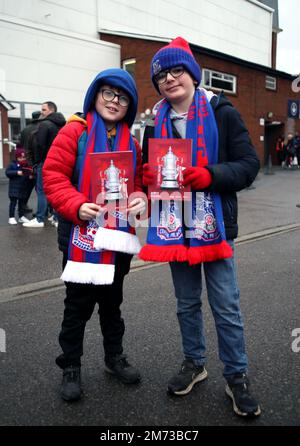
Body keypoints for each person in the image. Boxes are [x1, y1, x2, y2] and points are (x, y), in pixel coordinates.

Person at [140, 37, 261, 417]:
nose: (169, 79)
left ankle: (236, 375)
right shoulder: (153, 124)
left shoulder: (222, 112)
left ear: (192, 74)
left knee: (226, 304)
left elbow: (248, 165)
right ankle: (195, 361)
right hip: (173, 226)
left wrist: (210, 175)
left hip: (215, 225)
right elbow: (152, 179)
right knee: (186, 303)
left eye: (177, 70)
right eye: (161, 75)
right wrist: (147, 181)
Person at [43, 68, 145, 402]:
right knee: (76, 307)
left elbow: (138, 182)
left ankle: (114, 357)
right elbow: (54, 176)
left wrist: (140, 198)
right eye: (109, 93)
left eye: (123, 96)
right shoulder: (75, 131)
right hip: (79, 236)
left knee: (112, 304)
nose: (115, 101)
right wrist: (76, 205)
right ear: (96, 95)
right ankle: (70, 365)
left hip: (117, 239)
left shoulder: (131, 140)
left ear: (129, 104)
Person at [23, 102, 66, 228]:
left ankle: (40, 219)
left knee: (42, 190)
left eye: (44, 109)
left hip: (46, 162)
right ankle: (56, 218)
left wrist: (37, 162)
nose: (41, 112)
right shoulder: (63, 125)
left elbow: (40, 145)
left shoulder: (45, 124)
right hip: (60, 162)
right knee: (57, 190)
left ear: (51, 110)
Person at [5, 146, 33, 225]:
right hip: (14, 188)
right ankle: (11, 217)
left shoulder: (26, 165)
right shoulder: (12, 165)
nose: (22, 159)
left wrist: (30, 176)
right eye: (20, 158)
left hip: (23, 188)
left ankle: (21, 216)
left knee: (22, 203)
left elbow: (27, 173)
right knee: (13, 203)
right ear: (17, 157)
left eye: (23, 158)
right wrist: (16, 172)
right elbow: (7, 173)